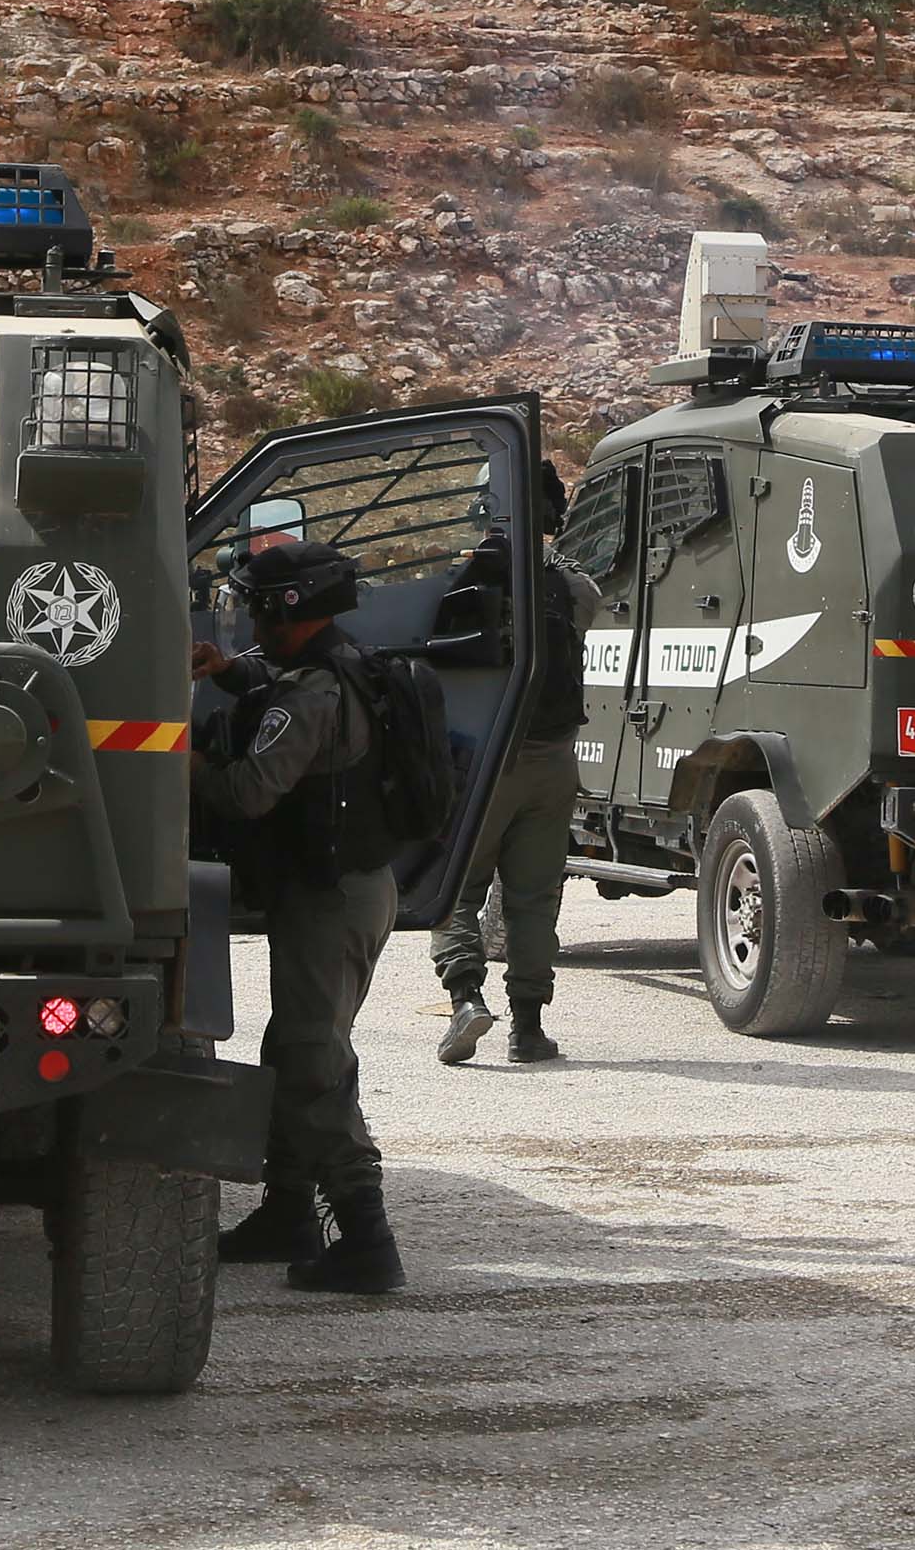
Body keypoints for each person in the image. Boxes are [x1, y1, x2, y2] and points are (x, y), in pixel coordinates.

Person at [193, 540, 406, 1293]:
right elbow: (279, 683)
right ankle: (286, 1209)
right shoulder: (345, 662)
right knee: (291, 1048)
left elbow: (250, 789)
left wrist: (178, 756)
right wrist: (229, 671)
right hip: (350, 888)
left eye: (258, 605)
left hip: (329, 897)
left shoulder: (314, 691)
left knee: (315, 1059)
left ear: (290, 609)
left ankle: (366, 1235)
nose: (252, 616)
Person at [433, 461, 593, 1067]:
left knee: (456, 891)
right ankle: (527, 1027)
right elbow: (592, 608)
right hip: (552, 762)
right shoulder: (563, 582)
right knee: (532, 898)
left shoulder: (465, 578)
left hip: (485, 762)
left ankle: (465, 997)